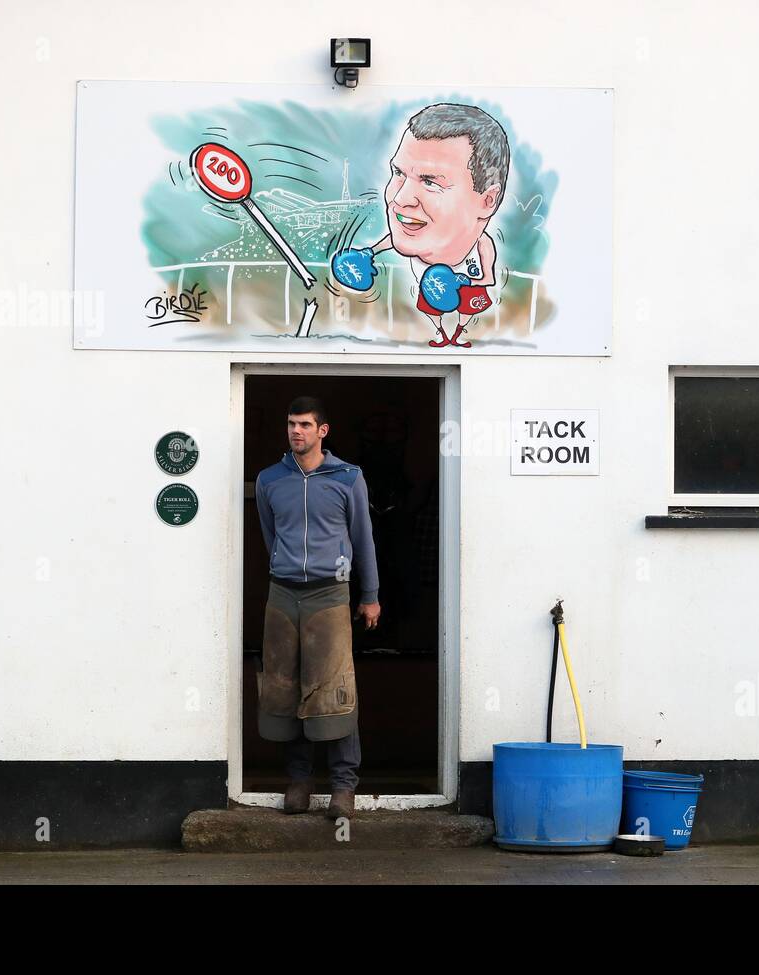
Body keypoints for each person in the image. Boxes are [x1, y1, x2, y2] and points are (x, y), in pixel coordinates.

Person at [254, 396, 381, 820]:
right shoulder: (270, 479)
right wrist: (286, 570)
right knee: (286, 687)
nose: (297, 431)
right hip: (283, 594)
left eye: (306, 425)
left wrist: (370, 594)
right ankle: (299, 782)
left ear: (322, 430)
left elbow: (363, 538)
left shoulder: (348, 477)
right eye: (291, 424)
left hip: (331, 594)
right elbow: (270, 537)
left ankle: (344, 787)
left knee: (335, 688)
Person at [329, 102, 510, 348]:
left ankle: (459, 333)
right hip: (433, 289)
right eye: (398, 173)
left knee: (464, 308)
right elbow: (390, 242)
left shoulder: (482, 249)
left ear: (487, 201)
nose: (399, 198)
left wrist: (461, 281)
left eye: (430, 182)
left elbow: (487, 279)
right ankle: (439, 332)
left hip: (465, 292)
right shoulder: (408, 247)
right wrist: (368, 253)